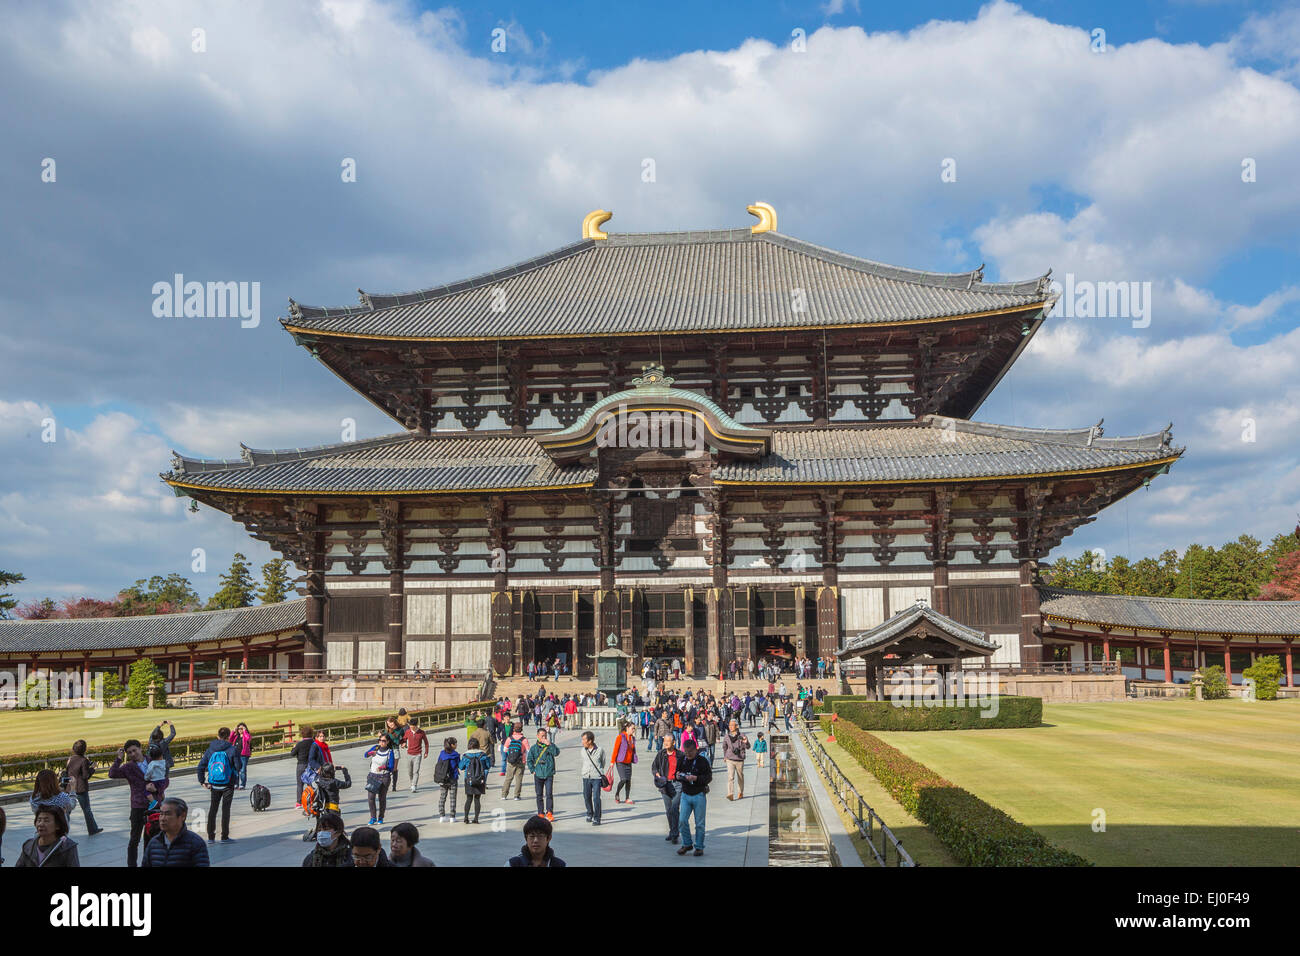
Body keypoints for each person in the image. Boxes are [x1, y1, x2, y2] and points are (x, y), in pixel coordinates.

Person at [108, 739, 151, 865]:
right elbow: (112, 773)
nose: (132, 754)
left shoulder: (152, 761)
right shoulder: (128, 767)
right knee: (134, 840)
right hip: (138, 806)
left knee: (150, 840)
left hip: (154, 805)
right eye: (129, 752)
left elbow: (165, 779)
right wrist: (119, 759)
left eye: (134, 750)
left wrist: (159, 789)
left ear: (140, 748)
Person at [196, 726, 238, 844]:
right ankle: (224, 836)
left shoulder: (210, 749)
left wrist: (202, 781)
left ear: (217, 736)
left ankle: (210, 836)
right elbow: (238, 766)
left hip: (214, 783)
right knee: (226, 810)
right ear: (229, 737)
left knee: (213, 809)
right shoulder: (232, 749)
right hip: (228, 783)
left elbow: (201, 766)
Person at [142, 796, 209, 867]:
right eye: (161, 814)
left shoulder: (195, 843)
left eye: (168, 814)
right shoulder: (154, 843)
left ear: (182, 816)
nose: (162, 819)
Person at [675, 739, 712, 858]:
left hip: (699, 794)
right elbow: (677, 773)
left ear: (696, 749)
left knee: (699, 823)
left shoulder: (702, 761)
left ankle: (699, 847)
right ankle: (687, 844)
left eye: (690, 752)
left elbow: (708, 777)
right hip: (685, 794)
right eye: (686, 752)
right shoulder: (682, 759)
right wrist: (678, 776)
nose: (688, 754)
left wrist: (696, 778)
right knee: (682, 820)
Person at [64, 740, 102, 835]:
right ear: (84, 750)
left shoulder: (70, 759)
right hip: (81, 788)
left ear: (73, 749)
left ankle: (63, 828)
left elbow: (71, 771)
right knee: (86, 810)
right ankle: (92, 829)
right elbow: (85, 776)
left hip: (70, 787)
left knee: (67, 810)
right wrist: (92, 768)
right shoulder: (84, 760)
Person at [651, 733, 682, 845]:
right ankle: (673, 831)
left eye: (668, 741)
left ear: (674, 742)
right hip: (665, 785)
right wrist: (657, 774)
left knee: (674, 808)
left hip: (677, 785)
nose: (666, 743)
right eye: (665, 741)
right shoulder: (661, 754)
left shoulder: (680, 755)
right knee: (669, 810)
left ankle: (675, 833)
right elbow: (654, 767)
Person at [526, 728, 559, 822]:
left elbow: (556, 753)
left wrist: (550, 745)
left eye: (545, 735)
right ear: (537, 736)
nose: (544, 737)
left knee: (549, 794)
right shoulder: (534, 748)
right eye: (542, 736)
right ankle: (540, 812)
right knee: (539, 794)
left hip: (548, 773)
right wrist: (532, 770)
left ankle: (549, 812)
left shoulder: (549, 745)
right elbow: (529, 760)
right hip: (538, 774)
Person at [363, 733, 396, 825]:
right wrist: (370, 753)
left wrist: (383, 767)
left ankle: (380, 817)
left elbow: (391, 767)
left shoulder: (390, 752)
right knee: (371, 798)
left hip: (384, 777)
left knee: (382, 798)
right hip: (373, 776)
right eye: (380, 740)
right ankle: (373, 817)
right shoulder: (376, 748)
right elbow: (365, 755)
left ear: (388, 742)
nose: (381, 742)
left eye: (384, 741)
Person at [459, 737, 490, 824]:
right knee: (477, 799)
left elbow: (461, 767)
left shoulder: (466, 756)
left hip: (468, 779)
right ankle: (476, 819)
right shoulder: (483, 755)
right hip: (480, 779)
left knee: (468, 799)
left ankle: (466, 818)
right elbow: (488, 765)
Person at [578, 731, 605, 825]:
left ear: (590, 741)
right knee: (586, 796)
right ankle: (590, 813)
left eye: (584, 740)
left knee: (596, 797)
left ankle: (597, 818)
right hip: (586, 776)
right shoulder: (582, 751)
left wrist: (598, 771)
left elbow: (603, 762)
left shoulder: (600, 750)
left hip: (596, 777)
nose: (582, 742)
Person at [721, 719, 750, 801]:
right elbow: (724, 746)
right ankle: (730, 794)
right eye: (729, 725)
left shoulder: (742, 735)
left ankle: (740, 792)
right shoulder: (727, 736)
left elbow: (748, 746)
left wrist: (746, 742)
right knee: (730, 777)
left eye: (732, 725)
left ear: (736, 726)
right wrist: (725, 756)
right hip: (730, 759)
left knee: (740, 776)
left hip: (739, 759)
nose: (730, 727)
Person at [434, 737, 460, 822]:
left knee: (442, 797)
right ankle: (452, 817)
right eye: (455, 743)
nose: (456, 745)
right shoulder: (456, 755)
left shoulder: (442, 754)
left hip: (443, 779)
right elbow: (459, 765)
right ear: (452, 745)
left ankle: (442, 816)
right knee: (453, 798)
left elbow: (438, 764)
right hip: (453, 779)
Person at [610, 721, 637, 805]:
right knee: (623, 779)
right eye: (632, 728)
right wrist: (612, 762)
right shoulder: (620, 737)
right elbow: (615, 750)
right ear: (627, 728)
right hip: (620, 761)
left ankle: (627, 798)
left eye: (634, 729)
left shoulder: (632, 738)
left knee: (628, 780)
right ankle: (617, 793)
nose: (634, 730)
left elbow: (632, 750)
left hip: (628, 762)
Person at [500, 722, 528, 800]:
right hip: (521, 760)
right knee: (519, 778)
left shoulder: (509, 738)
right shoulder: (524, 739)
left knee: (508, 778)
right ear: (521, 729)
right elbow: (528, 751)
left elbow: (505, 750)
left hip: (511, 761)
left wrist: (511, 754)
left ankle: (504, 795)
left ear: (514, 729)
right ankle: (516, 795)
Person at [290, 726, 315, 808]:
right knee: (310, 783)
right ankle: (312, 799)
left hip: (301, 765)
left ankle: (299, 802)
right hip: (311, 765)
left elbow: (292, 754)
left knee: (300, 784)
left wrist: (293, 748)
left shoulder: (299, 744)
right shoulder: (314, 743)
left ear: (302, 734)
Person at [402, 718, 429, 792]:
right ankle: (412, 783)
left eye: (412, 726)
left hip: (418, 754)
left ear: (416, 725)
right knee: (410, 771)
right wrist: (403, 743)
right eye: (410, 726)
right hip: (409, 754)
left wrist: (426, 752)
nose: (411, 727)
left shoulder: (421, 732)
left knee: (416, 771)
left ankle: (414, 785)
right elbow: (404, 739)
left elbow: (426, 743)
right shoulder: (407, 732)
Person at [230, 722, 252, 790]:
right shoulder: (236, 736)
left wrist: (245, 731)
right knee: (235, 770)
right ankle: (236, 784)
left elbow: (248, 739)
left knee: (242, 770)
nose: (240, 730)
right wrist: (233, 731)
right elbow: (230, 739)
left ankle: (242, 785)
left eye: (241, 728)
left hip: (244, 755)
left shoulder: (246, 735)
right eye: (239, 728)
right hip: (236, 755)